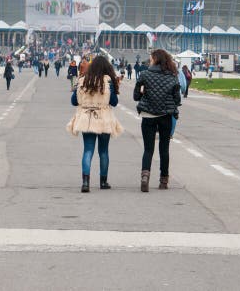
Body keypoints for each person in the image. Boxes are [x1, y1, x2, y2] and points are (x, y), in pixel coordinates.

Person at [66, 56, 124, 193]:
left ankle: (85, 182)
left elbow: (74, 101)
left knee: (88, 150)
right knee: (103, 151)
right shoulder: (108, 81)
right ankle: (103, 182)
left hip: (87, 118)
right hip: (104, 118)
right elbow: (114, 102)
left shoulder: (82, 80)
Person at [134, 49, 181, 192]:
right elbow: (177, 100)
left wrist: (143, 93)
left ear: (155, 59)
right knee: (164, 149)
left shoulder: (144, 75)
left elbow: (136, 96)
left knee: (148, 149)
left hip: (148, 115)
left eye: (151, 58)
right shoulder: (173, 76)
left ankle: (145, 176)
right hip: (166, 116)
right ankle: (164, 180)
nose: (150, 60)